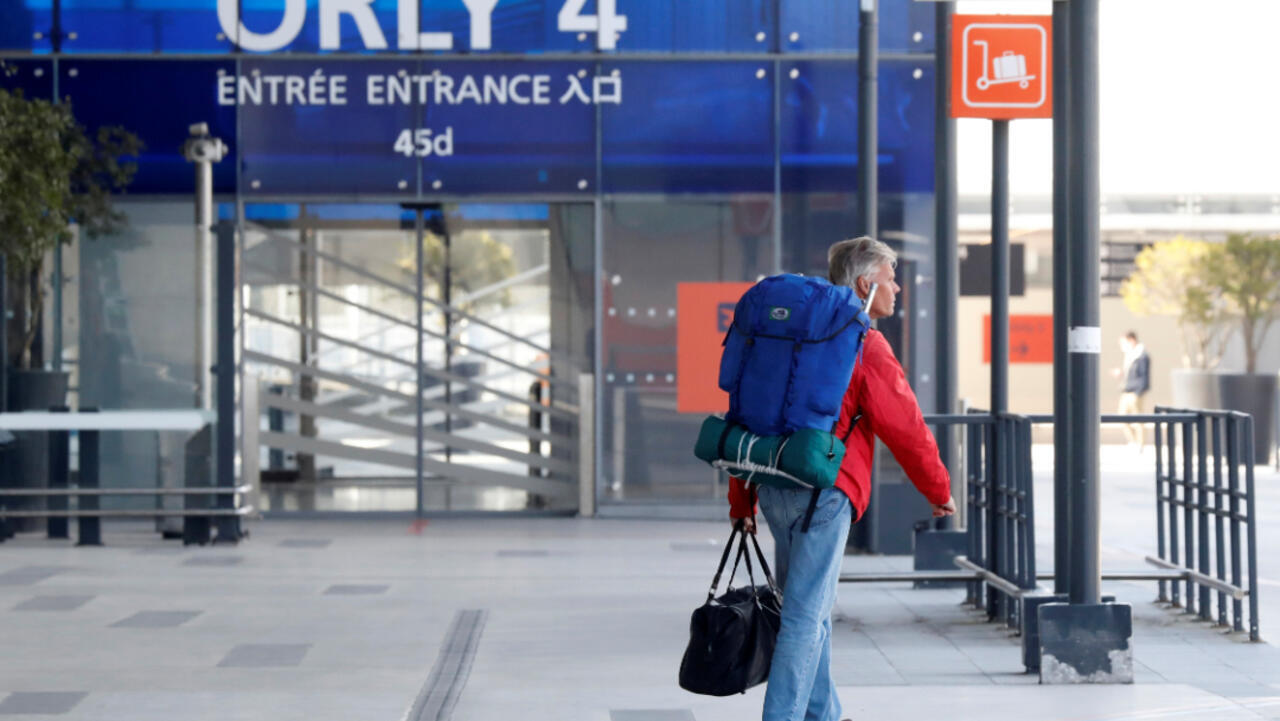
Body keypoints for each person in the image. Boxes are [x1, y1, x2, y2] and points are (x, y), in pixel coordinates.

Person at [727, 236, 956, 721]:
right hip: (825, 496)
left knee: (807, 606)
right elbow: (906, 426)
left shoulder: (790, 337)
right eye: (892, 278)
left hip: (772, 483)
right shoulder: (862, 342)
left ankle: (823, 715)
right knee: (805, 617)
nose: (898, 288)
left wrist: (741, 499)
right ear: (865, 283)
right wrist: (938, 490)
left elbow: (747, 413)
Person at [1113, 331, 1151, 449]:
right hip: (1126, 391)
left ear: (1132, 340)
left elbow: (1144, 377)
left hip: (1135, 393)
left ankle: (1140, 444)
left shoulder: (1142, 356)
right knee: (1122, 417)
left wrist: (1138, 392)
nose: (1122, 347)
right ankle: (1134, 442)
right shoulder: (1129, 356)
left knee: (1138, 419)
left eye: (1123, 343)